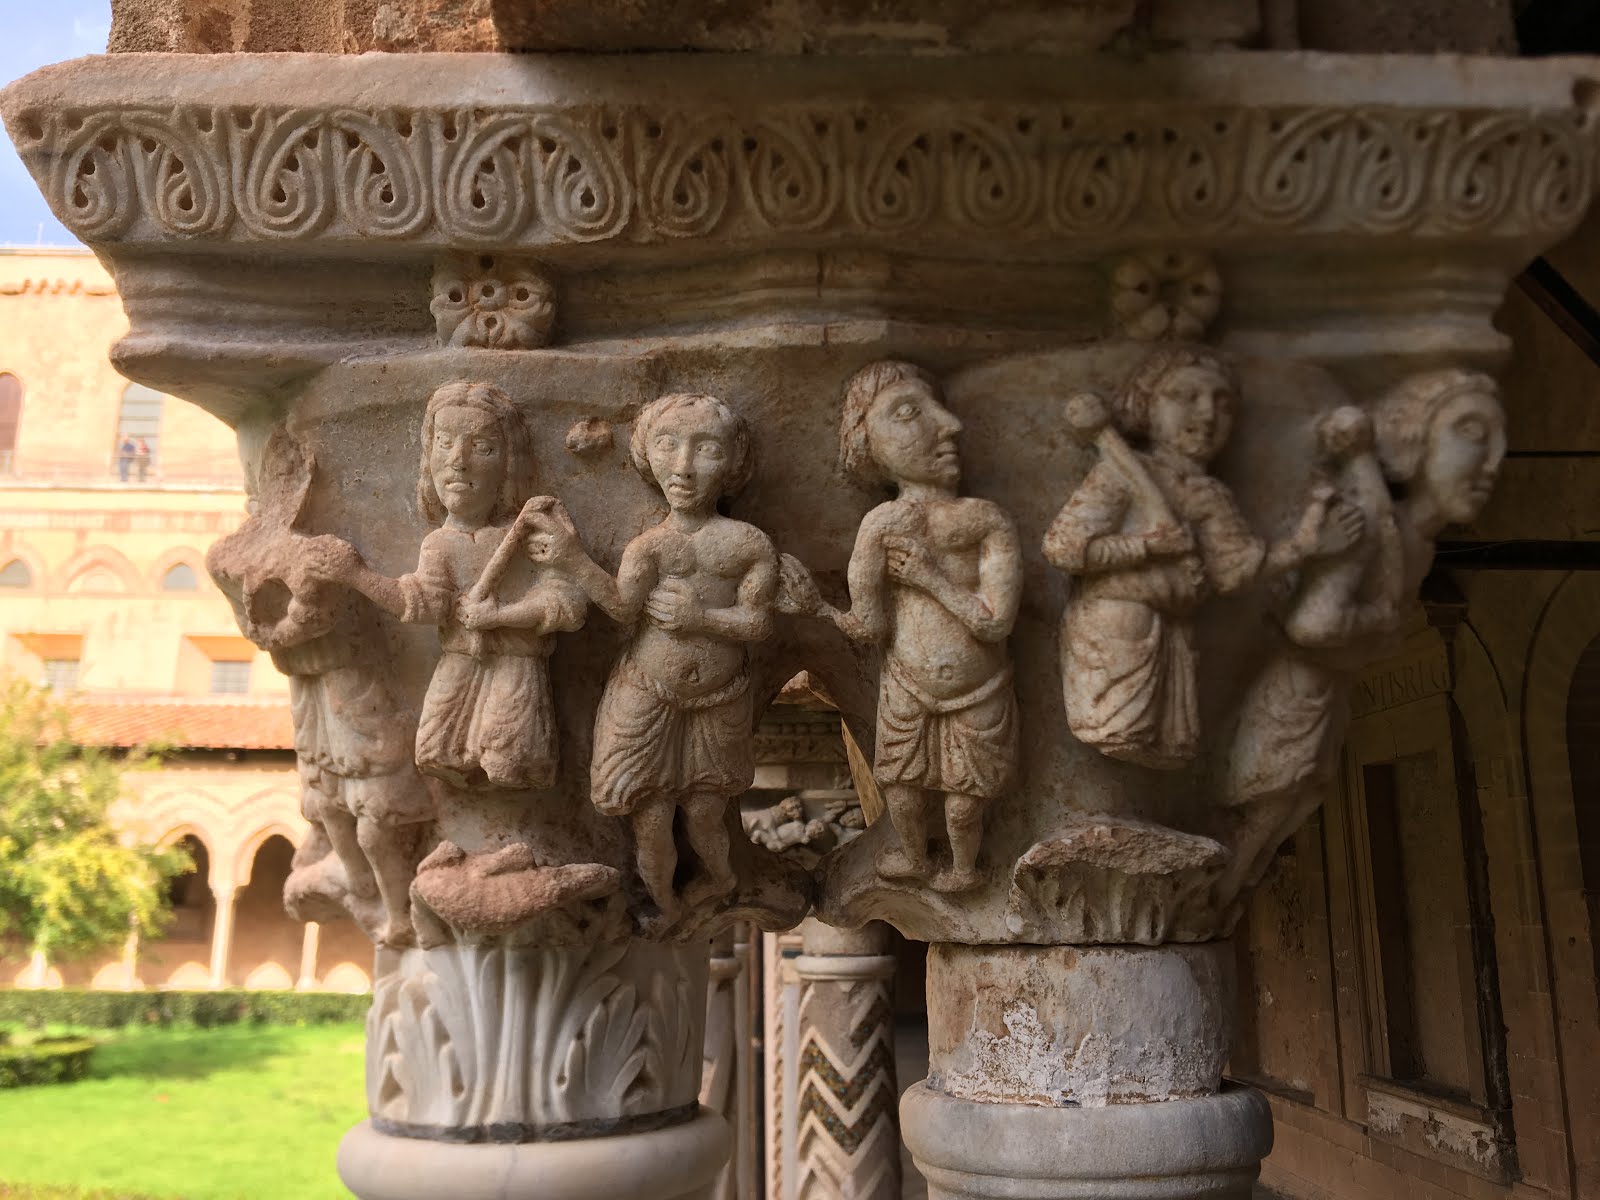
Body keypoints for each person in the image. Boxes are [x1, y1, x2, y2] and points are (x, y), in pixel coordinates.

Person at [1042, 345, 1361, 769]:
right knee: (1114, 738)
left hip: (1175, 640)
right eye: (1185, 397)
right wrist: (1146, 546)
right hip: (1117, 629)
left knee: (1163, 756)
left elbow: (1234, 570)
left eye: (1222, 402)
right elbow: (1064, 547)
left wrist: (1304, 545)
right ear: (1146, 407)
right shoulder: (1121, 473)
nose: (1208, 414)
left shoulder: (1210, 493)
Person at [527, 392, 776, 928]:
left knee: (709, 814)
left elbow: (758, 624)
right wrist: (574, 559)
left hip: (718, 699)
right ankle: (663, 904)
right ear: (646, 458)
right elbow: (621, 607)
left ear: (733, 461)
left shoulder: (747, 544)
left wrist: (700, 619)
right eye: (667, 445)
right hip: (647, 693)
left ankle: (722, 880)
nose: (683, 466)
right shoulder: (649, 547)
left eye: (705, 448)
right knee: (651, 817)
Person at [784, 361, 1021, 893]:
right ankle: (913, 857)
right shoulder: (881, 524)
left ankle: (964, 869)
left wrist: (931, 579)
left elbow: (997, 621)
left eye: (939, 407)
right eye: (910, 412)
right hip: (907, 688)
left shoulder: (986, 519)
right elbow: (868, 625)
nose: (950, 425)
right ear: (867, 441)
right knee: (903, 792)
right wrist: (817, 609)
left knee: (964, 806)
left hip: (977, 691)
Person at [331, 379, 587, 790]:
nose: (458, 462)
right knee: (436, 755)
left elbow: (568, 605)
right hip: (459, 666)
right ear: (426, 457)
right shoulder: (440, 543)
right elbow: (424, 603)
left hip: (514, 669)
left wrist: (503, 615)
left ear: (509, 466)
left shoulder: (529, 537)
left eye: (482, 448)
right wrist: (358, 576)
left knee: (509, 765)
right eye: (444, 443)